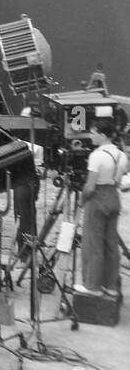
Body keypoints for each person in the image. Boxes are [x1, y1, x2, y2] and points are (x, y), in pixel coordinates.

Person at [77, 119, 128, 297]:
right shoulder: (121, 155)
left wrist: (82, 201)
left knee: (94, 244)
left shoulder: (96, 156)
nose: (90, 136)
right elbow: (121, 181)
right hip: (114, 197)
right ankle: (111, 286)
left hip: (98, 199)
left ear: (102, 135)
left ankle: (93, 286)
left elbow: (90, 186)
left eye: (93, 132)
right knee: (111, 244)